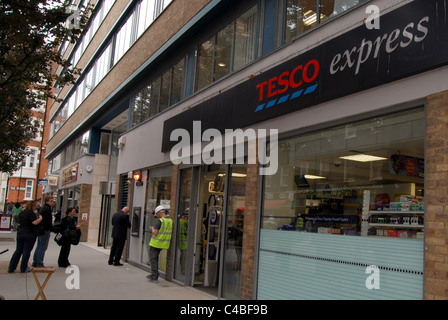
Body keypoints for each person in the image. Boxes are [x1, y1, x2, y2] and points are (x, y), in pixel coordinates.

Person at [8, 201, 42, 273]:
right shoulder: (32, 214)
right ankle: (23, 268)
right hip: (29, 233)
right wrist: (40, 218)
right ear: (32, 206)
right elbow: (34, 222)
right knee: (26, 251)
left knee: (18, 250)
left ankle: (11, 267)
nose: (36, 207)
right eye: (35, 206)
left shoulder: (22, 213)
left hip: (20, 232)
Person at [147, 205, 172, 283]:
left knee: (153, 259)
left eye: (156, 213)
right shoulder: (170, 221)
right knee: (155, 258)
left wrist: (152, 229)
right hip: (164, 243)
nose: (156, 215)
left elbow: (155, 233)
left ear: (159, 212)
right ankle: (154, 274)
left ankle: (154, 276)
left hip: (156, 243)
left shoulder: (160, 221)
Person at [32, 196, 54, 267]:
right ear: (47, 201)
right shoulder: (47, 209)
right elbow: (47, 221)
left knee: (39, 246)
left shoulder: (43, 208)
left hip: (41, 230)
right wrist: (49, 228)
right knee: (42, 247)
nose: (53, 202)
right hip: (44, 230)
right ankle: (39, 263)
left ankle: (35, 262)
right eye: (51, 201)